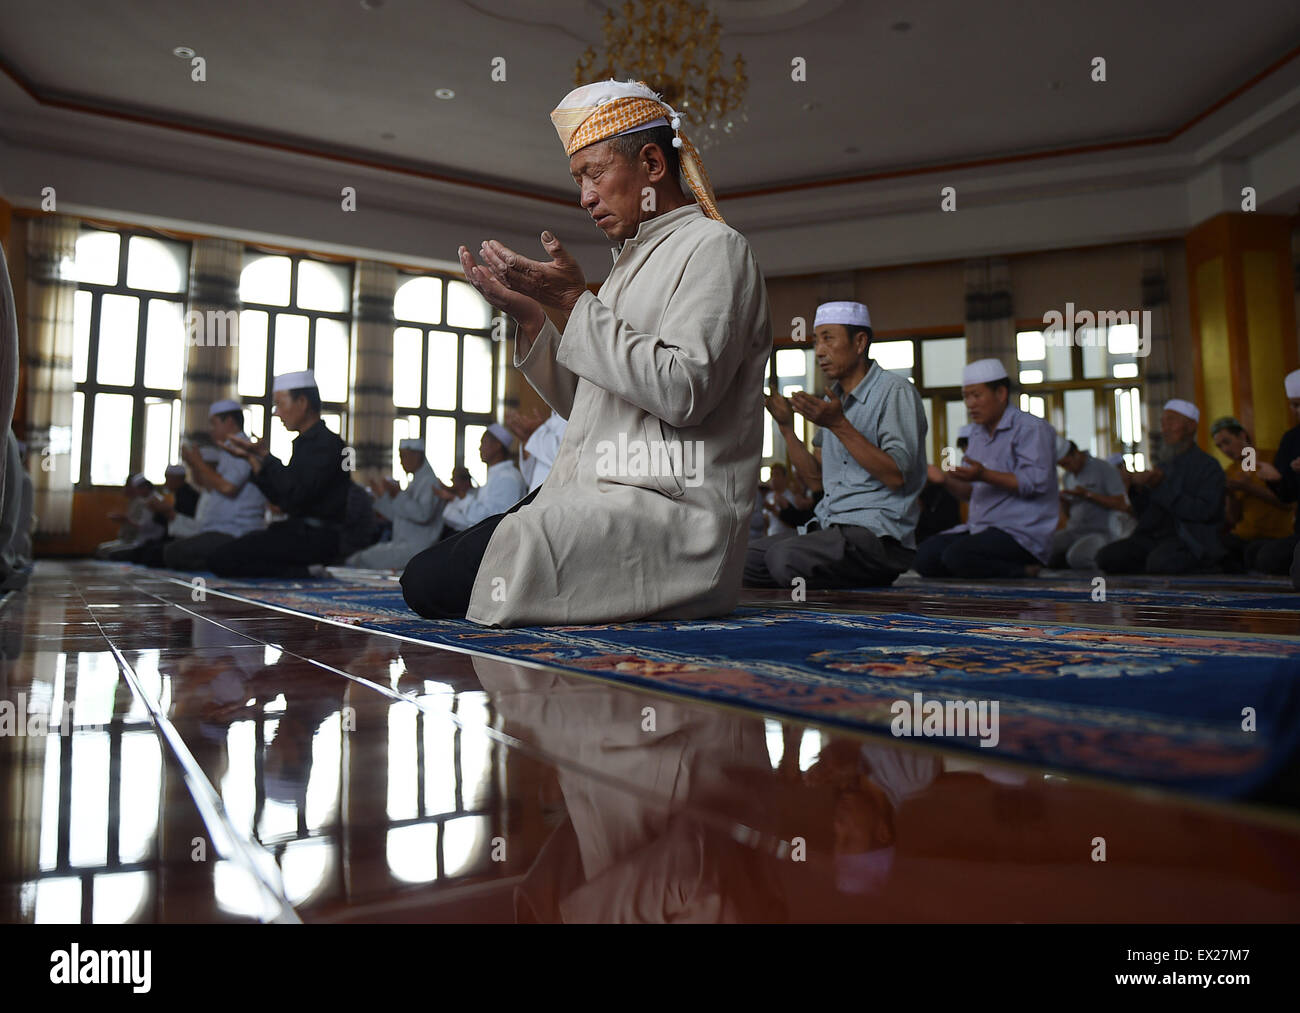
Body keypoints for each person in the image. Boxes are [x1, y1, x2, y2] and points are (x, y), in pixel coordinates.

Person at [401, 78, 771, 625]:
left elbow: (683, 390)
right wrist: (534, 318)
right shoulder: (627, 266)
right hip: (592, 492)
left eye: (595, 173)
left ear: (651, 164)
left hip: (670, 512)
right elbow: (592, 405)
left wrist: (576, 303)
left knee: (435, 584)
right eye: (578, 180)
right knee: (424, 571)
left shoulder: (715, 249)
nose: (585, 197)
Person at [744, 300, 926, 589]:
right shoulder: (832, 401)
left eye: (828, 338)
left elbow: (896, 476)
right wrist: (786, 428)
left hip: (879, 537)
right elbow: (816, 481)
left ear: (860, 342)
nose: (819, 351)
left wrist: (839, 425)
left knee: (784, 559)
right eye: (816, 340)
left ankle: (853, 596)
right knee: (741, 563)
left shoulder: (894, 392)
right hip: (829, 527)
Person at [915, 359, 1057, 578]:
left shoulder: (1031, 428)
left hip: (1022, 533)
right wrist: (945, 480)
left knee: (957, 556)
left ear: (1000, 393)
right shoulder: (975, 434)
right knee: (924, 557)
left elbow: (1035, 483)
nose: (970, 404)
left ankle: (1022, 571)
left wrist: (984, 475)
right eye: (966, 396)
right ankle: (993, 571)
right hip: (981, 529)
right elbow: (970, 492)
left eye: (976, 395)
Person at [208, 370, 353, 578]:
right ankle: (304, 572)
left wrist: (265, 457)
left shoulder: (327, 444)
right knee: (222, 557)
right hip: (297, 532)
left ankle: (304, 572)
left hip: (317, 539)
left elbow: (297, 493)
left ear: (302, 402)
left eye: (280, 404)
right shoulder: (304, 444)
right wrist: (252, 460)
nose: (276, 413)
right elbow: (284, 500)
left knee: (224, 558)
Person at [1096, 399, 1226, 574]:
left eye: (1171, 421)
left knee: (1160, 563)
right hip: (1154, 538)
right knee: (1106, 557)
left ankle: (1208, 563)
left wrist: (1160, 487)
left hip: (1189, 538)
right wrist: (1137, 488)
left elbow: (1205, 512)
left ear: (1191, 426)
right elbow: (1144, 513)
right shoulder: (1164, 465)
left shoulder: (1209, 467)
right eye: (1163, 422)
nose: (1165, 428)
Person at [161, 400, 269, 570]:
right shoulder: (228, 449)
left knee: (173, 553)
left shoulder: (241, 448)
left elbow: (228, 487)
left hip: (236, 531)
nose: (211, 430)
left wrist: (198, 462)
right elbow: (212, 486)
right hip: (222, 530)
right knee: (168, 552)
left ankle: (237, 563)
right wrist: (194, 465)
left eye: (214, 424)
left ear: (230, 422)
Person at [1210, 416, 1295, 572]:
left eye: (1227, 442)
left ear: (1242, 435)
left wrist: (1249, 487)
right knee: (1212, 547)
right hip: (1244, 535)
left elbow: (1287, 502)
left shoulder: (1271, 458)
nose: (1225, 450)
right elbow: (1233, 518)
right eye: (1219, 446)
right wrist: (1231, 495)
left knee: (1262, 555)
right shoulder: (1230, 471)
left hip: (1275, 535)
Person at [346, 438, 445, 569]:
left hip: (417, 549)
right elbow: (398, 516)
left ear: (417, 455)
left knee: (362, 559)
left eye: (404, 456)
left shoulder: (429, 482)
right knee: (359, 557)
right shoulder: (417, 481)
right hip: (402, 545)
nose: (401, 462)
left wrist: (398, 494)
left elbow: (422, 515)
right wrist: (382, 497)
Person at [1049, 437, 1129, 569]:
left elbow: (1121, 504)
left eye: (1067, 464)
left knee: (1077, 557)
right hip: (1074, 530)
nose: (1066, 468)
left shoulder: (1104, 469)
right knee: (1043, 548)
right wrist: (1064, 502)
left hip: (1100, 532)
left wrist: (1088, 495)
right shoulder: (1068, 476)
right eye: (1062, 466)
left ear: (1076, 454)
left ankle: (1101, 583)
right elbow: (1069, 514)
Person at [1250, 369, 1300, 575]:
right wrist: (1276, 479)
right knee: (1262, 556)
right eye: (1295, 405)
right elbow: (1287, 495)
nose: (1298, 410)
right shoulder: (1291, 440)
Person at [438, 424, 527, 533]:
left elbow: (493, 521)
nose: (480, 448)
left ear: (497, 445)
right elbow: (476, 521)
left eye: (483, 443)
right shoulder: (496, 474)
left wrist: (461, 494)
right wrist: (455, 497)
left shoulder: (507, 478)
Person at [96, 475, 164, 559]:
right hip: (140, 540)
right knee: (102, 550)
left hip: (149, 542)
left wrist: (126, 520)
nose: (137, 492)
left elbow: (146, 527)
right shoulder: (145, 500)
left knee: (112, 554)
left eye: (138, 489)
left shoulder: (154, 501)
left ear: (145, 487)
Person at [508, 407, 568, 492]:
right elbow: (529, 478)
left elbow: (566, 459)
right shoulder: (549, 421)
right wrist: (526, 439)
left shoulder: (574, 417)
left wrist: (534, 434)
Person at [760, 462, 796, 537]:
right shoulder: (769, 496)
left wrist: (773, 510)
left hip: (785, 537)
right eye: (771, 475)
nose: (773, 478)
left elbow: (793, 522)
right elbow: (766, 520)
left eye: (777, 474)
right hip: (771, 536)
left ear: (785, 477)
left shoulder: (791, 497)